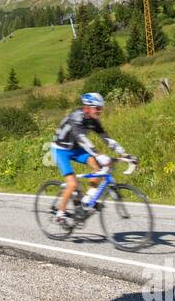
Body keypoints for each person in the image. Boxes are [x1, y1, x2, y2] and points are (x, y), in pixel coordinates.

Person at [50, 92, 133, 224]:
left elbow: (107, 139)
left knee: (99, 168)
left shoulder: (93, 120)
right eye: (97, 108)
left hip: (75, 149)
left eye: (101, 108)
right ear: (87, 107)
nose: (100, 111)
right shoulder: (76, 117)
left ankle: (86, 199)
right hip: (60, 150)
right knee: (72, 184)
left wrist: (125, 154)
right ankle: (60, 213)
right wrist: (98, 154)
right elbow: (82, 139)